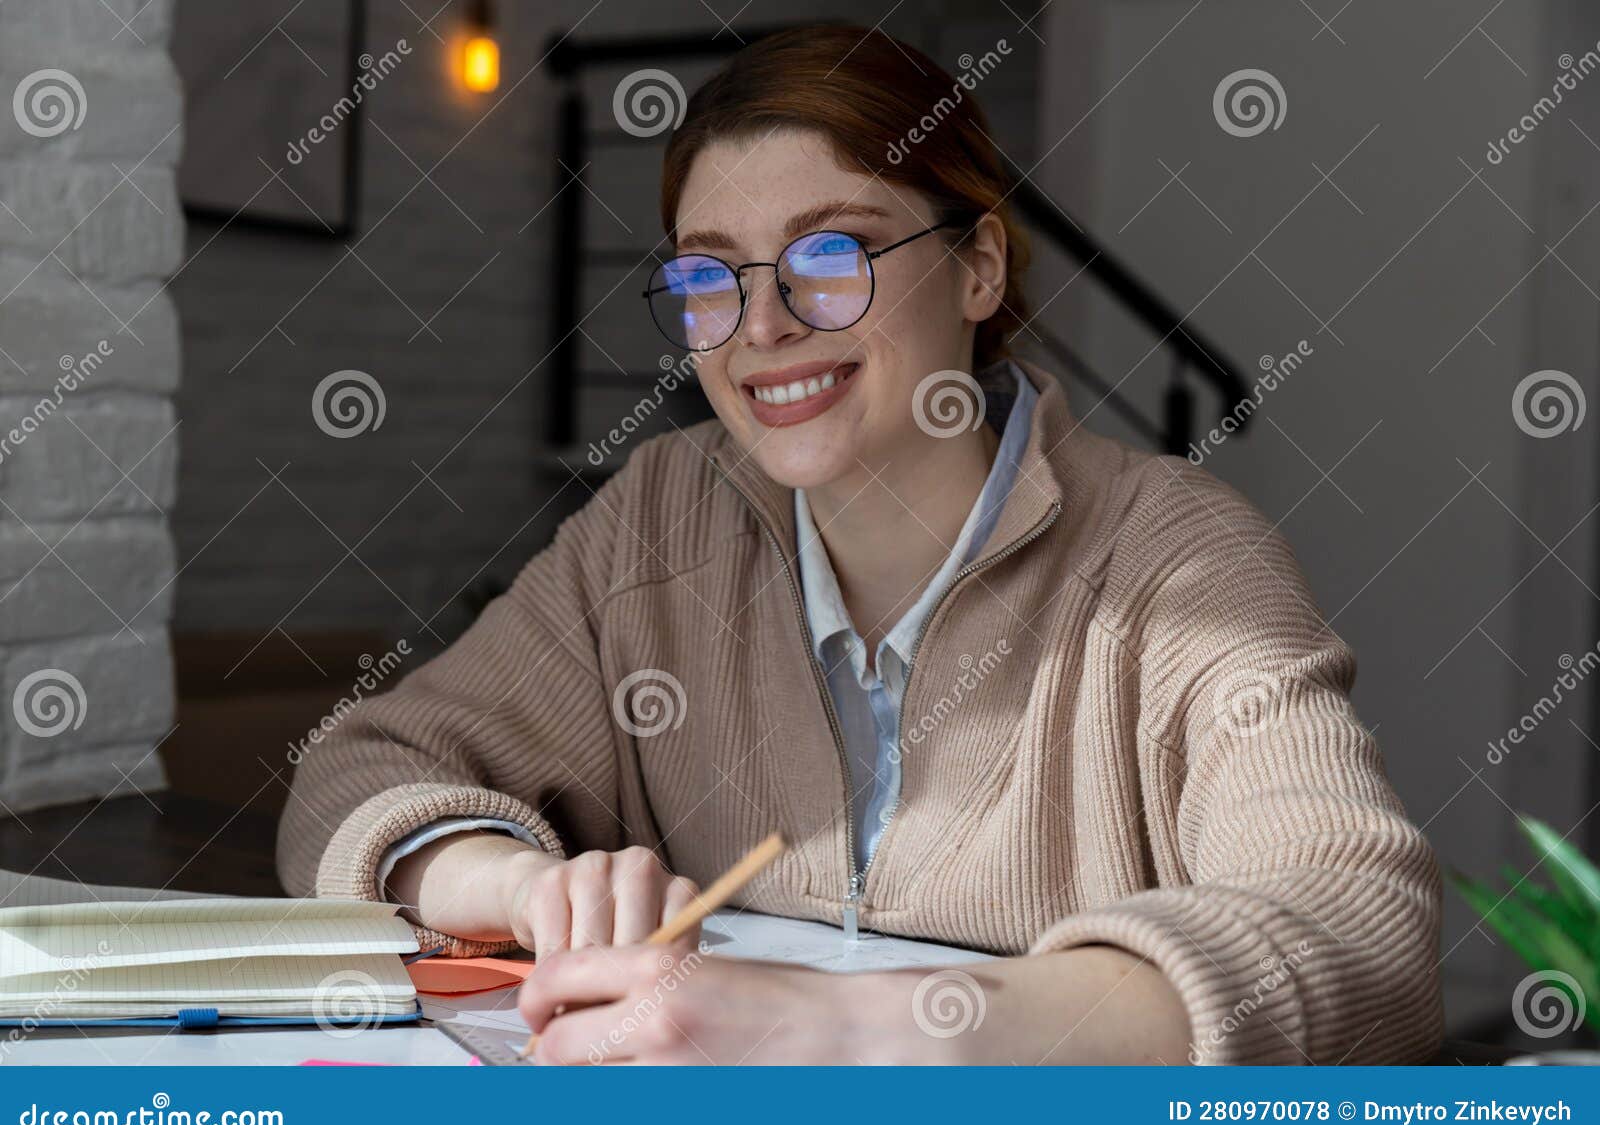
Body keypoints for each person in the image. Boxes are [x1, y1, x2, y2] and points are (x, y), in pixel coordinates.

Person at [278, 24, 1444, 1065]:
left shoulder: (1174, 557)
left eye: (831, 256)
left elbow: (1364, 932)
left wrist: (869, 1028)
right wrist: (526, 885)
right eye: (709, 277)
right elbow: (354, 772)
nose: (762, 327)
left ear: (979, 267)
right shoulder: (663, 512)